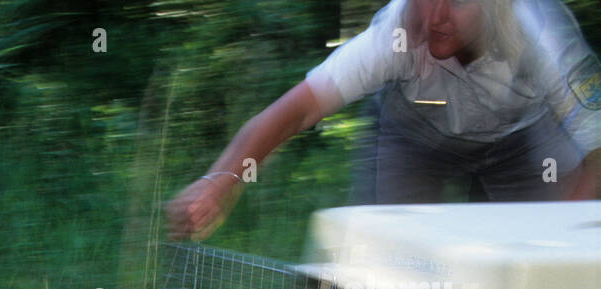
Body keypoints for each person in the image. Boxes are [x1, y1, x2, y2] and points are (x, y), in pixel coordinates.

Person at [167, 0, 601, 240]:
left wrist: (559, 238)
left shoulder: (541, 37)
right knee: (386, 265)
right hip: (414, 137)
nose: (435, 17)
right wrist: (221, 181)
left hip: (521, 140)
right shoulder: (394, 34)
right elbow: (297, 109)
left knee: (546, 246)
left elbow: (597, 153)